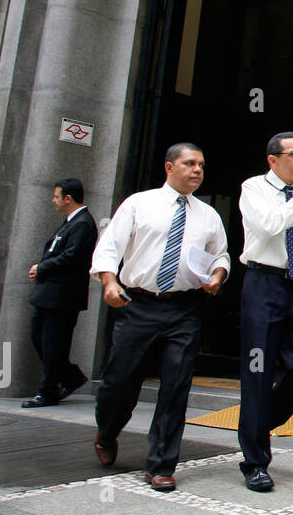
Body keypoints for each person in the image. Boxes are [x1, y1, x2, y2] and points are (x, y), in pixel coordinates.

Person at [89, 143, 229, 491]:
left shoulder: (208, 215)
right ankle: (107, 432)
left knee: (176, 387)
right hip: (138, 305)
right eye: (189, 163)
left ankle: (162, 465)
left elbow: (220, 256)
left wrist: (217, 276)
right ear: (169, 167)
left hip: (185, 309)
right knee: (119, 382)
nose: (197, 170)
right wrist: (108, 282)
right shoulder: (139, 203)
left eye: (201, 164)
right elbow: (109, 248)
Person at [236, 132, 293, 492]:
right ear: (273, 160)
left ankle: (256, 424)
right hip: (263, 286)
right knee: (258, 371)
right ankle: (255, 462)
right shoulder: (253, 188)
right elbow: (271, 225)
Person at [22, 178, 97, 407]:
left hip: (62, 298)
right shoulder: (70, 222)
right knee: (40, 338)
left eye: (56, 196)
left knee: (54, 345)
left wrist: (42, 268)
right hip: (49, 295)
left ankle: (48, 391)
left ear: (68, 198)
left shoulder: (83, 224)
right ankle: (70, 377)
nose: (53, 201)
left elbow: (72, 257)